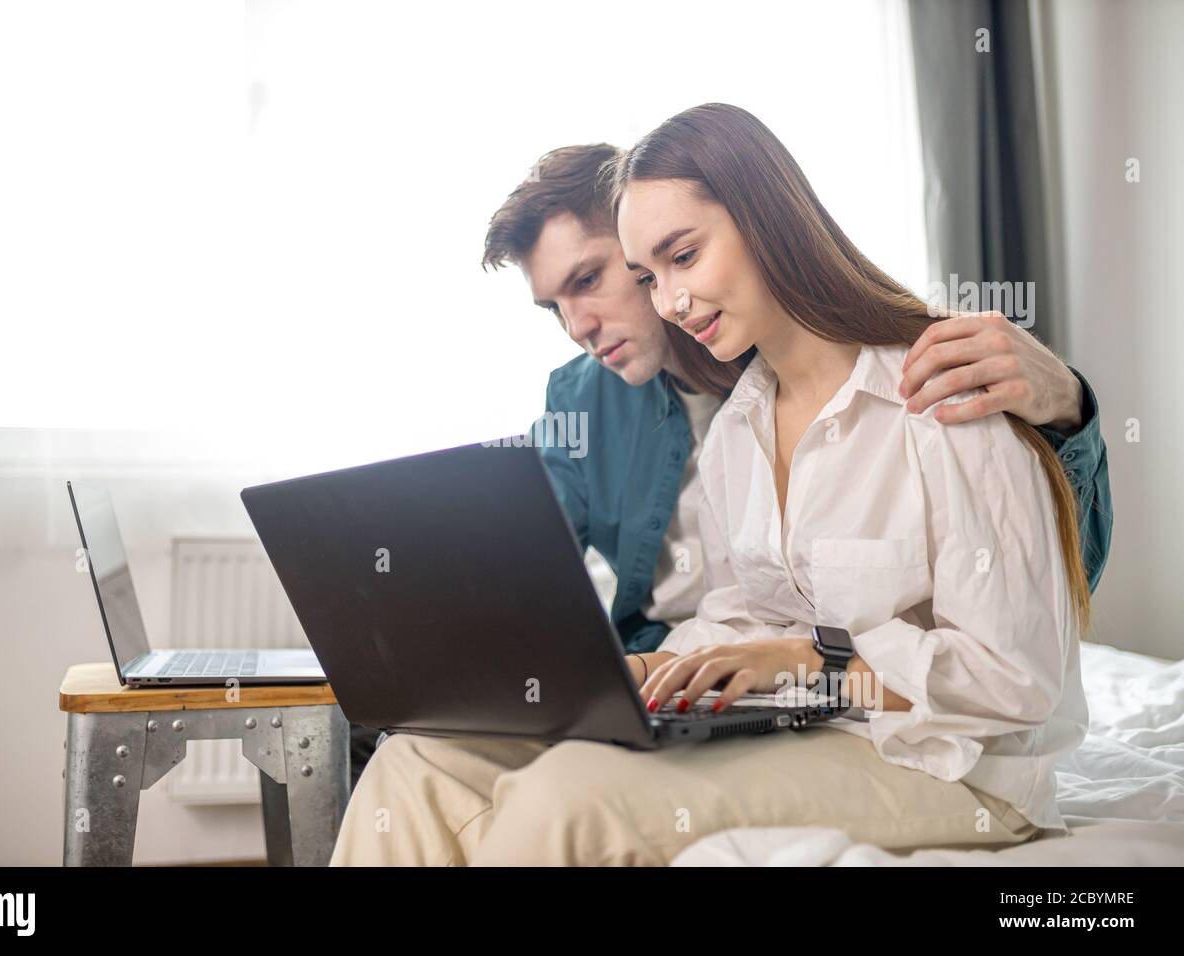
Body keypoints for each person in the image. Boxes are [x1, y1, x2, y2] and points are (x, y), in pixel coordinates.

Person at [332, 108, 1108, 864]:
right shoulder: (743, 424)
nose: (668, 301)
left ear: (766, 215)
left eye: (682, 257)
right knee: (416, 765)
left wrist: (814, 663)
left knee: (570, 794)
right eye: (648, 275)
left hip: (952, 766)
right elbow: (739, 615)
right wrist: (633, 672)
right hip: (797, 727)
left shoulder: (948, 391)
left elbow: (1018, 680)